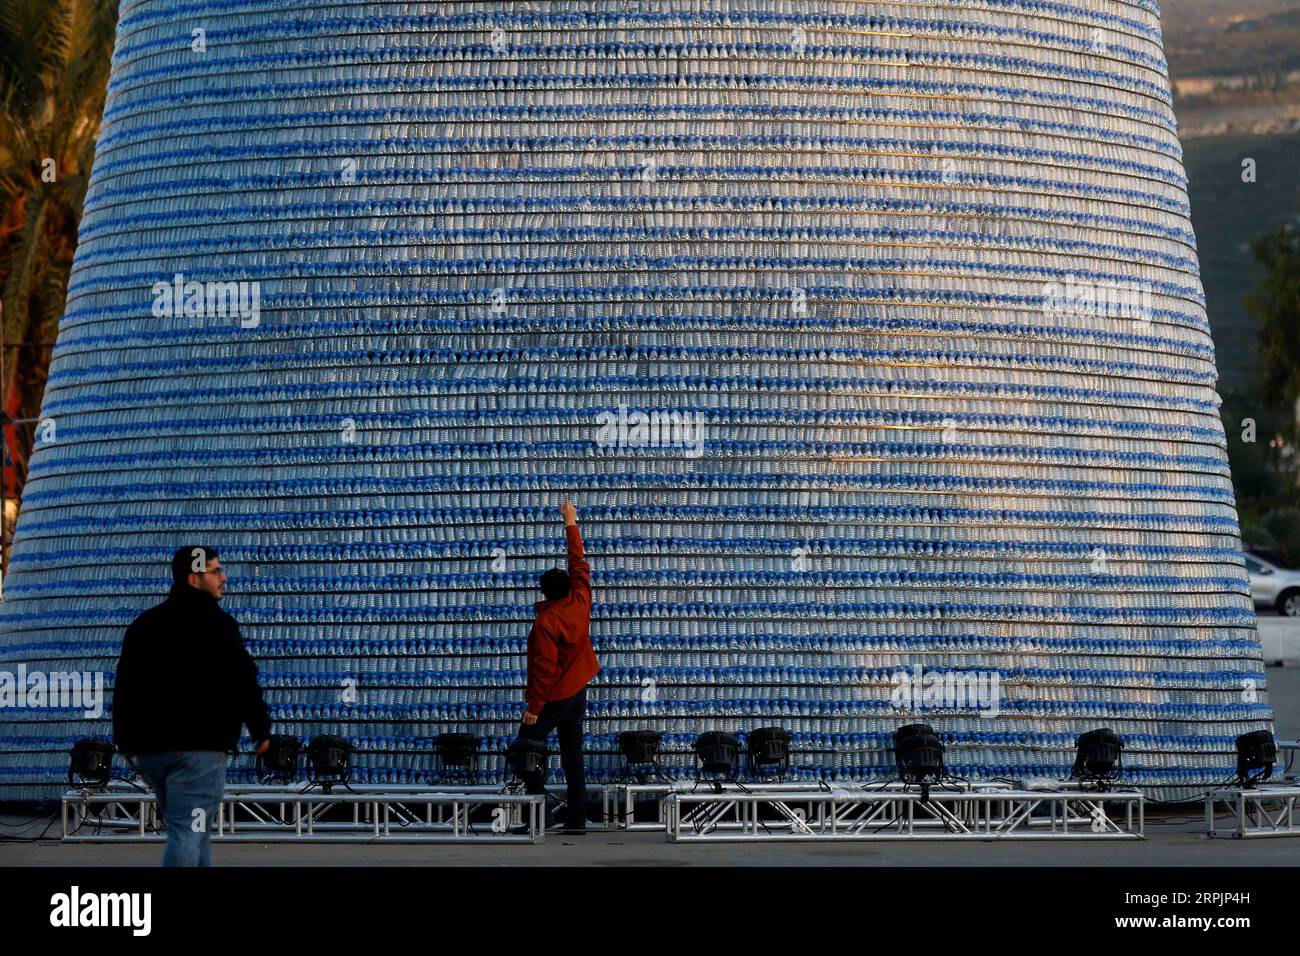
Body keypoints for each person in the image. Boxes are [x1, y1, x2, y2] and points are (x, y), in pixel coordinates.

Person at [112, 545, 271, 866]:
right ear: (194, 578)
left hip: (153, 752)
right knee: (188, 829)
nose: (223, 578)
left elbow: (126, 687)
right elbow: (243, 679)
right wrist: (260, 729)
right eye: (215, 572)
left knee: (193, 829)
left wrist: (126, 742)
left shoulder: (145, 624)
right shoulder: (218, 625)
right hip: (198, 752)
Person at [515, 498, 600, 833]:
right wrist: (571, 523)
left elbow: (544, 668)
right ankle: (577, 819)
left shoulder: (546, 623)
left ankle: (539, 813)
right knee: (572, 755)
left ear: (544, 593)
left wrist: (535, 706)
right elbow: (578, 563)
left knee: (526, 746)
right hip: (579, 689)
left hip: (555, 695)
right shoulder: (580, 598)